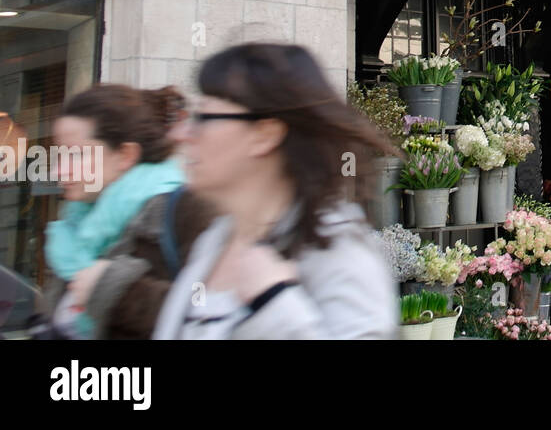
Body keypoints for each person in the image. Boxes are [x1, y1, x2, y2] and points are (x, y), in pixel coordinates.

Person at [151, 42, 398, 339]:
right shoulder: (214, 242)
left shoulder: (337, 253)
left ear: (265, 135)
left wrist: (274, 303)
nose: (181, 134)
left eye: (204, 117)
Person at [43, 85, 189, 338]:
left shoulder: (181, 212)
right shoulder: (73, 228)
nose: (58, 171)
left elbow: (210, 311)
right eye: (59, 155)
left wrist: (113, 289)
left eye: (76, 155)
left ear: (125, 155)